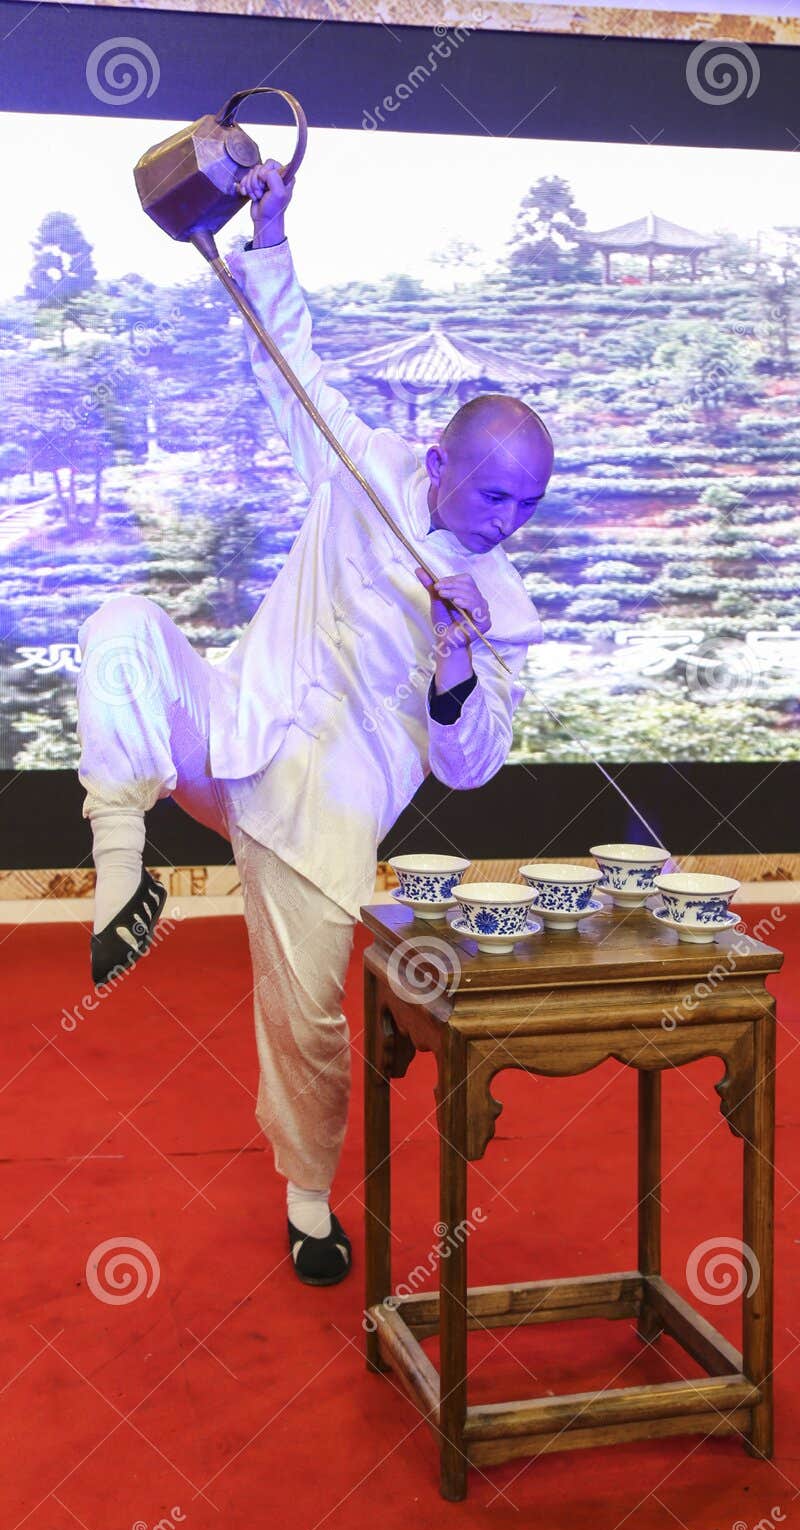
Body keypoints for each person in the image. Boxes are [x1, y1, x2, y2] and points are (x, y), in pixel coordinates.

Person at [74, 160, 551, 1287]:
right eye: (495, 498)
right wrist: (272, 232)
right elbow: (285, 362)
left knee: (312, 1024)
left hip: (323, 817)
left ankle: (306, 1199)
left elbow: (472, 765)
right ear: (438, 464)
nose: (510, 524)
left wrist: (453, 660)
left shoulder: (507, 611)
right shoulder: (362, 468)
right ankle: (119, 872)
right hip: (228, 734)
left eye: (531, 505)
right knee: (123, 625)